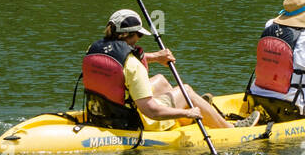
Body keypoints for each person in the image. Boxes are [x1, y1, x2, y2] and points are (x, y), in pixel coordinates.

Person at [82, 9, 232, 131]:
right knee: (186, 91)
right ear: (126, 34)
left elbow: (121, 62)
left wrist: (155, 57)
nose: (139, 38)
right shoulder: (134, 66)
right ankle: (228, 127)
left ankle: (182, 114)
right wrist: (189, 112)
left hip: (103, 110)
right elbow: (151, 111)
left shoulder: (93, 50)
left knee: (160, 80)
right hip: (135, 120)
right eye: (138, 34)